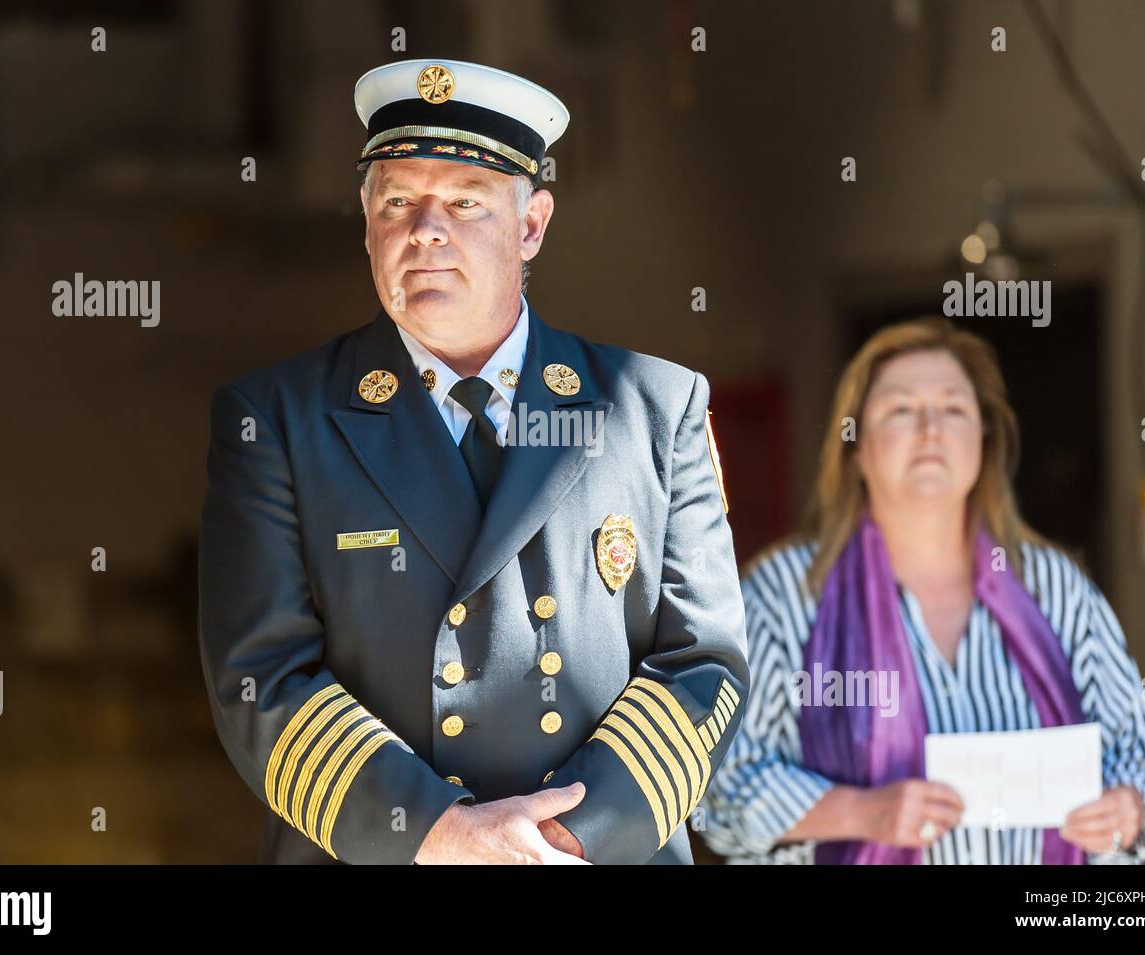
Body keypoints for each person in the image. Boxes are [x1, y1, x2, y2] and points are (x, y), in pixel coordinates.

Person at [197, 58, 748, 864]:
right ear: (365, 221)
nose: (425, 229)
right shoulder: (276, 420)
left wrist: (551, 843)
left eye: (464, 202)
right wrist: (442, 834)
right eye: (397, 202)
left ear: (531, 226)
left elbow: (704, 663)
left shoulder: (655, 409)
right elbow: (262, 680)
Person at [702, 317, 1145, 864]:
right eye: (901, 410)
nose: (931, 429)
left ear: (983, 440)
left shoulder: (1054, 587)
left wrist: (1125, 810)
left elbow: (1133, 752)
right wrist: (861, 811)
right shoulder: (785, 593)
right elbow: (717, 787)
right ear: (855, 447)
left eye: (953, 409)